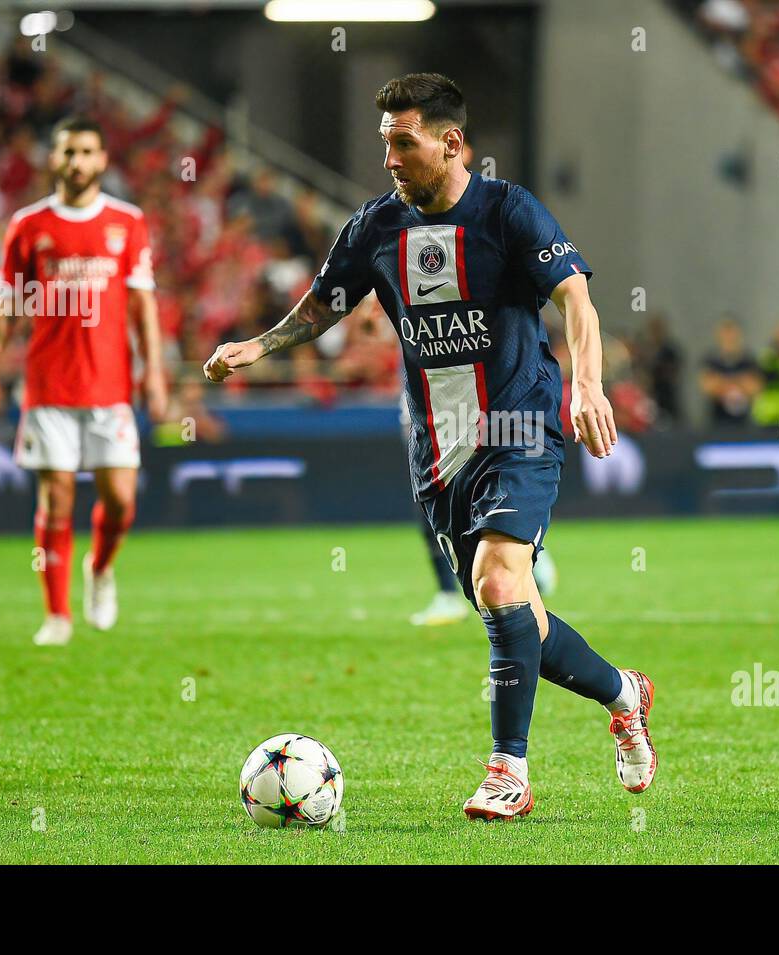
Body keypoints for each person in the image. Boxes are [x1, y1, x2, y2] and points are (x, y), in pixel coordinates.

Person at [204, 73, 655, 819]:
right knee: (516, 615)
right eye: (385, 142)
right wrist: (262, 344)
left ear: (451, 142)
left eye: (403, 141)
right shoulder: (377, 227)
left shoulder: (509, 211)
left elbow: (576, 295)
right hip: (439, 452)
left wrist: (588, 386)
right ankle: (623, 693)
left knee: (504, 585)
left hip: (519, 428)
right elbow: (325, 302)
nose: (390, 157)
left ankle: (508, 770)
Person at [0, 115, 167, 646]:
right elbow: (6, 306)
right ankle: (57, 616)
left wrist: (154, 373)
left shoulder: (127, 222)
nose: (76, 162)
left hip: (110, 386)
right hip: (48, 387)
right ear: (53, 159)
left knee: (121, 500)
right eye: (67, 152)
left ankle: (99, 568)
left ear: (102, 160)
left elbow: (143, 306)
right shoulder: (28, 226)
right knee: (55, 501)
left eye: (86, 152)